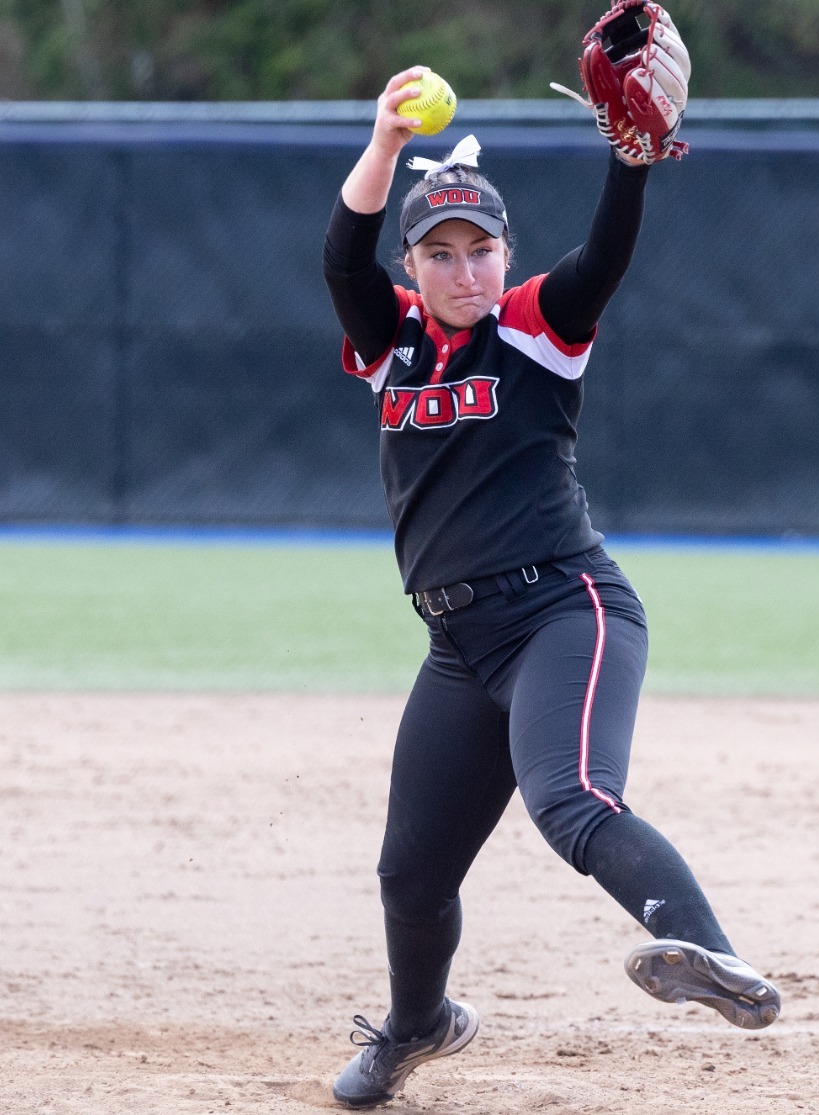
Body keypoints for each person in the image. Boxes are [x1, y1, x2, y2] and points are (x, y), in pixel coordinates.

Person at [321, 62, 781, 1110]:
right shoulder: (388, 344)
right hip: (457, 645)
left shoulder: (533, 327)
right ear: (415, 266)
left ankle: (713, 957)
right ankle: (416, 1025)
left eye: (480, 248)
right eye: (440, 252)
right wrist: (386, 145)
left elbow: (604, 259)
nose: (464, 268)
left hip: (563, 608)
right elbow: (340, 254)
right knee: (409, 873)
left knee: (569, 798)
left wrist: (628, 164)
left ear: (504, 257)